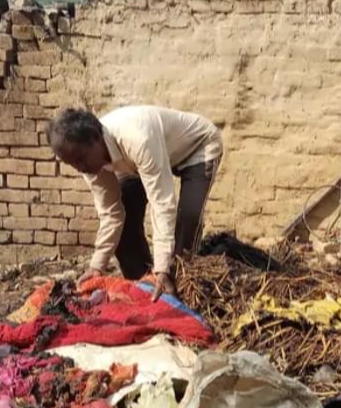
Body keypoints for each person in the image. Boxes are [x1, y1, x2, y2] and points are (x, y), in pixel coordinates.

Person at [48, 105, 223, 300]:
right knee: (124, 228)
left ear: (96, 138)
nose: (80, 168)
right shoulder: (89, 162)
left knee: (187, 221)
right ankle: (145, 289)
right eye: (72, 163)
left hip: (197, 148)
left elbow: (162, 203)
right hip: (140, 162)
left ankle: (181, 295)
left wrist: (163, 266)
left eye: (81, 158)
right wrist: (97, 266)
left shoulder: (137, 138)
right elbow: (111, 214)